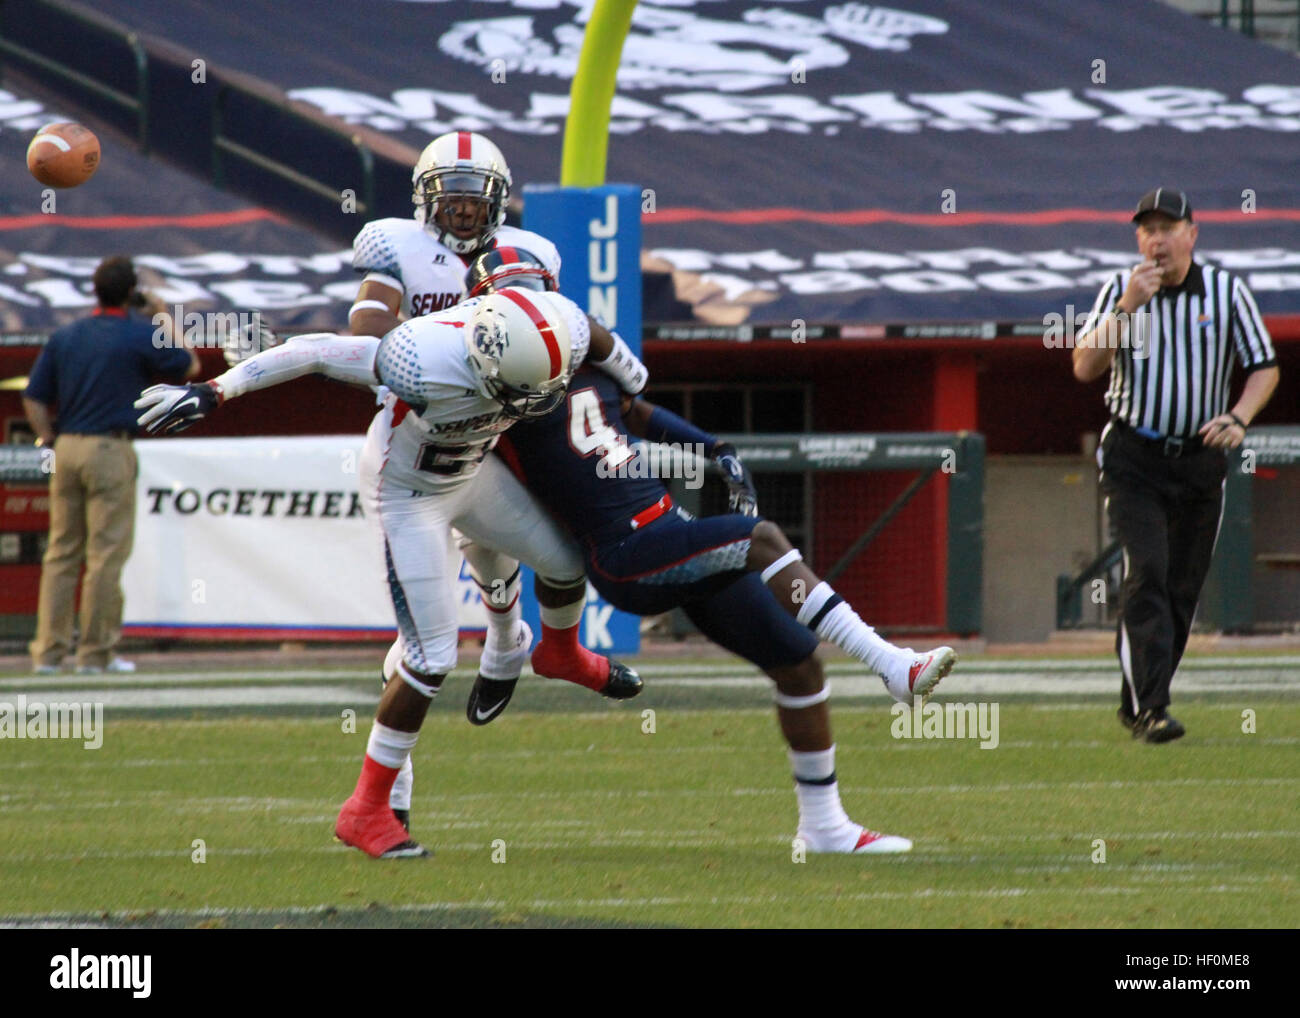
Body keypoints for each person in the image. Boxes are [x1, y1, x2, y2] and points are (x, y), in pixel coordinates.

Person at [462, 251, 957, 854]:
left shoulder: (580, 356)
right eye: (513, 297)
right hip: (625, 553)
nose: (530, 311)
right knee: (760, 539)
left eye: (535, 295)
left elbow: (637, 409)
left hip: (664, 531)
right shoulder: (489, 390)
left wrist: (711, 446)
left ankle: (826, 827)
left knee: (799, 662)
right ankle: (891, 664)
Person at [134, 288, 637, 860]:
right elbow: (317, 351)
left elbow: (595, 336)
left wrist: (635, 377)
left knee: (569, 561)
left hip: (472, 472)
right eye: (518, 391)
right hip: (406, 491)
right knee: (431, 655)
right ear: (483, 362)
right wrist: (214, 391)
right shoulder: (421, 356)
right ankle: (364, 810)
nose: (533, 404)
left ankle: (559, 653)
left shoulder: (558, 327)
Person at [1071, 188, 1279, 743]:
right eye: (1146, 229)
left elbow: (1264, 366)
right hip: (1134, 455)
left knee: (1183, 588)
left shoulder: (1226, 291)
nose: (1156, 239)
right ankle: (1152, 709)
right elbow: (1084, 366)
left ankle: (1136, 700)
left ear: (1192, 233)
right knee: (1148, 573)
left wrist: (1239, 416)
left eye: (1167, 227)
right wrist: (1126, 309)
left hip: (1200, 459)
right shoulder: (1121, 289)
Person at [23, 256, 198, 675]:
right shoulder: (138, 332)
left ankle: (48, 654)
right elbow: (189, 366)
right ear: (130, 292)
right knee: (104, 556)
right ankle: (95, 654)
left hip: (66, 448)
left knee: (61, 554)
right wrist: (161, 315)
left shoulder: (66, 335)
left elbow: (32, 396)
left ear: (95, 290)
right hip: (109, 448)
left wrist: (48, 437)